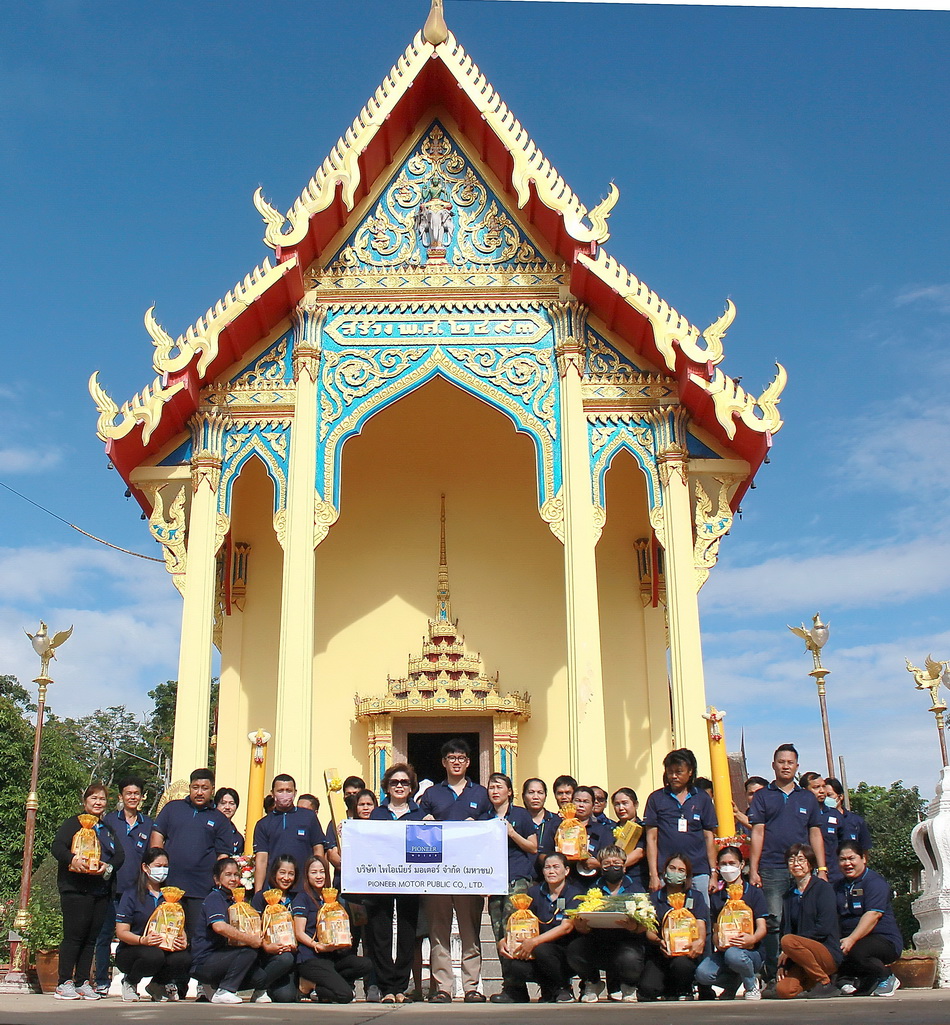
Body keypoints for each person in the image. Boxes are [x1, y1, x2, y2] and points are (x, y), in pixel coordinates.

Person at [419, 737, 492, 1002]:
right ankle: (443, 988)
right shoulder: (431, 794)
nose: (456, 762)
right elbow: (417, 830)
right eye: (452, 758)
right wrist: (425, 820)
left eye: (461, 758)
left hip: (469, 873)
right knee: (439, 933)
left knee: (470, 931)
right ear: (443, 762)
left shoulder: (480, 793)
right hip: (437, 874)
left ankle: (472, 987)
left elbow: (492, 828)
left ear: (469, 762)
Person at [748, 744, 826, 979]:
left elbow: (815, 833)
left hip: (803, 868)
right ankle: (774, 974)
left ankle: (804, 972)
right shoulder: (763, 796)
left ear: (797, 766)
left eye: (790, 762)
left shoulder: (807, 798)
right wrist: (754, 869)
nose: (785, 766)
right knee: (774, 920)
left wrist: (821, 868)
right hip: (772, 867)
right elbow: (758, 832)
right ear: (773, 765)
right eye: (781, 762)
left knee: (805, 920)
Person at [51, 783, 124, 1000]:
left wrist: (108, 867)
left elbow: (120, 855)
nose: (98, 802)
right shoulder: (73, 823)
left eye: (102, 799)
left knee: (91, 938)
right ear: (85, 802)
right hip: (75, 888)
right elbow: (57, 847)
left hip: (99, 890)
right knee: (74, 936)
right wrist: (72, 859)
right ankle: (64, 982)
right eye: (94, 798)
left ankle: (82, 981)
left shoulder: (106, 829)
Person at [149, 769, 235, 945]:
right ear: (190, 788)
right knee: (167, 933)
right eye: (195, 787)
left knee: (196, 937)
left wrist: (220, 883)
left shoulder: (219, 819)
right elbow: (157, 835)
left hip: (201, 888)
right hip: (170, 886)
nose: (199, 792)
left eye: (205, 788)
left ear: (212, 789)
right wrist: (157, 866)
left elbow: (223, 856)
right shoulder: (173, 808)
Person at [491, 852, 582, 1003]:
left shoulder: (574, 894)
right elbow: (522, 920)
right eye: (547, 867)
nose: (551, 871)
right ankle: (537, 990)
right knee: (514, 963)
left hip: (565, 952)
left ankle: (563, 988)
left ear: (566, 871)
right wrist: (506, 941)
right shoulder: (534, 892)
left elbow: (566, 927)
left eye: (556, 867)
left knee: (542, 950)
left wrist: (534, 942)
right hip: (539, 950)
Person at [366, 763, 423, 1002]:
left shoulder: (420, 815)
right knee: (381, 934)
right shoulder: (377, 814)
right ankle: (386, 988)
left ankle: (400, 987)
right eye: (394, 783)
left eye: (404, 783)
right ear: (387, 787)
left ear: (411, 787)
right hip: (381, 880)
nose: (399, 786)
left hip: (411, 881)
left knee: (407, 935)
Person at [95, 776, 154, 995]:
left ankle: (130, 982)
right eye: (128, 793)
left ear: (142, 797)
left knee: (131, 937)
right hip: (110, 888)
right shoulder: (109, 820)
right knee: (104, 936)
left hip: (135, 891)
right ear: (121, 796)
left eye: (136, 793)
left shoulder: (148, 824)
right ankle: (101, 981)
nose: (132, 797)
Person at [567, 845, 647, 1003]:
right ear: (601, 867)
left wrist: (635, 927)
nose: (612, 867)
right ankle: (592, 983)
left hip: (627, 943)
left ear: (624, 866)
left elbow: (646, 923)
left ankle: (629, 986)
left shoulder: (636, 889)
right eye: (607, 864)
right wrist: (582, 926)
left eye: (616, 863)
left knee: (630, 957)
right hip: (599, 942)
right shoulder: (593, 889)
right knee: (575, 949)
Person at [114, 847, 191, 1003]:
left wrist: (183, 940)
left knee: (184, 958)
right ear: (145, 867)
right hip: (134, 949)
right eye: (158, 866)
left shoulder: (172, 896)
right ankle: (130, 982)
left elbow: (180, 927)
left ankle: (158, 984)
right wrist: (143, 940)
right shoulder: (132, 894)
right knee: (153, 955)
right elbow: (121, 932)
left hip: (165, 947)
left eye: (165, 866)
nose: (162, 870)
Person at [293, 854, 372, 1003]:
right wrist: (317, 945)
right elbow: (299, 932)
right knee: (345, 995)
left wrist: (344, 937)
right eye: (314, 872)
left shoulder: (330, 897)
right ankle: (310, 985)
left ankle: (328, 985)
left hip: (332, 957)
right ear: (307, 875)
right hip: (311, 958)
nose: (319, 876)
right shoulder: (302, 898)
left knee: (365, 964)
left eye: (322, 872)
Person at [190, 857, 268, 1004]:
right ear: (216, 879)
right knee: (249, 951)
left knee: (259, 977)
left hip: (226, 956)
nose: (233, 879)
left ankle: (214, 986)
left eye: (236, 874)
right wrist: (250, 940)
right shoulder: (215, 898)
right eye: (228, 875)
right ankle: (225, 990)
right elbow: (219, 926)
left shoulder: (236, 901)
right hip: (205, 960)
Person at [694, 845, 767, 1001]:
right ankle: (733, 983)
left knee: (733, 955)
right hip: (725, 951)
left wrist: (752, 939)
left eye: (732, 863)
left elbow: (762, 927)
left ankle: (751, 985)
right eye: (724, 864)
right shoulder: (717, 897)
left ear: (741, 864)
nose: (728, 868)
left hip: (750, 952)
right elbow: (715, 929)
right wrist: (718, 942)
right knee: (702, 974)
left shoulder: (754, 893)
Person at [643, 748, 717, 896]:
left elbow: (709, 837)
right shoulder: (656, 798)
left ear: (690, 772)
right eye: (670, 772)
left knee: (700, 909)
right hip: (666, 872)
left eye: (679, 772)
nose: (673, 776)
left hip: (698, 870)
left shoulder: (702, 798)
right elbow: (651, 838)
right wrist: (654, 875)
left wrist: (713, 873)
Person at [834, 841, 902, 997]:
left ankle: (887, 977)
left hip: (882, 940)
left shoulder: (875, 882)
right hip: (848, 939)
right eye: (842, 859)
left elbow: (873, 915)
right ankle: (855, 980)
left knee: (857, 951)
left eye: (851, 858)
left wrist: (851, 939)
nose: (847, 863)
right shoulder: (837, 886)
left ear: (863, 858)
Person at [773, 842, 841, 999]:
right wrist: (783, 963)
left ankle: (825, 983)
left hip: (825, 952)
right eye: (791, 860)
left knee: (788, 940)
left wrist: (791, 945)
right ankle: (812, 984)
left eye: (801, 860)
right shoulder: (789, 895)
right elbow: (785, 929)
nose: (796, 864)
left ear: (810, 864)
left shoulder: (823, 889)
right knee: (784, 990)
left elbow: (824, 928)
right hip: (800, 956)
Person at [639, 853, 708, 1001]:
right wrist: (659, 942)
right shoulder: (654, 898)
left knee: (681, 965)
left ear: (687, 875)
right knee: (647, 989)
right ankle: (667, 989)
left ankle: (685, 988)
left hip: (686, 953)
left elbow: (701, 924)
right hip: (661, 953)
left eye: (681, 870)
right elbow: (650, 931)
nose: (676, 872)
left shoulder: (695, 897)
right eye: (672, 868)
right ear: (665, 870)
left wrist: (700, 941)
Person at [252, 773, 326, 893]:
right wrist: (258, 892)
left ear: (295, 793)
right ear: (272, 793)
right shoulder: (263, 824)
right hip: (274, 890)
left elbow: (318, 849)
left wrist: (318, 884)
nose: (285, 794)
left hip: (304, 888)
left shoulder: (309, 817)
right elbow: (261, 860)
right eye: (280, 791)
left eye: (288, 790)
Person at [486, 772, 538, 940]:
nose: (495, 791)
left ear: (509, 791)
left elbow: (533, 847)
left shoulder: (521, 814)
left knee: (513, 927)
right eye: (491, 788)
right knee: (498, 931)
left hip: (516, 876)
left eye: (499, 787)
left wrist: (512, 833)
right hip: (494, 880)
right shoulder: (485, 817)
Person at [248, 854, 300, 1002]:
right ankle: (260, 988)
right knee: (285, 959)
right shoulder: (261, 897)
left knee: (287, 997)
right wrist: (266, 946)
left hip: (291, 955)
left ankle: (267, 986)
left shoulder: (297, 898)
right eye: (282, 872)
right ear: (274, 873)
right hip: (267, 954)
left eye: (291, 874)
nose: (286, 878)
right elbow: (253, 929)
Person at [565, 786, 614, 882]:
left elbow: (609, 860)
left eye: (586, 802)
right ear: (571, 803)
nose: (581, 805)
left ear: (592, 805)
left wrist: (598, 864)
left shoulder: (603, 831)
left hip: (594, 882)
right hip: (567, 881)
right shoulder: (562, 827)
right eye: (577, 801)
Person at [325, 777, 364, 876]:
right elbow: (332, 853)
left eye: (355, 793)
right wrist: (350, 867)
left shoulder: (371, 820)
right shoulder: (336, 821)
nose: (351, 797)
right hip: (342, 878)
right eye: (348, 794)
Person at [611, 787, 647, 889]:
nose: (621, 808)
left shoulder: (643, 828)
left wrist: (617, 866)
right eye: (617, 804)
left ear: (635, 804)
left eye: (625, 803)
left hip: (636, 878)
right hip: (612, 879)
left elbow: (640, 852)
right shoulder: (609, 828)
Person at [522, 778, 559, 864]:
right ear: (523, 796)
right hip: (524, 869)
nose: (536, 797)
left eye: (540, 793)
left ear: (545, 796)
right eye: (531, 792)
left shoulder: (556, 821)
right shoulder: (518, 820)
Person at [213, 787, 244, 855]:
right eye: (223, 803)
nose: (227, 807)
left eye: (231, 803)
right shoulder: (208, 828)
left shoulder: (238, 837)